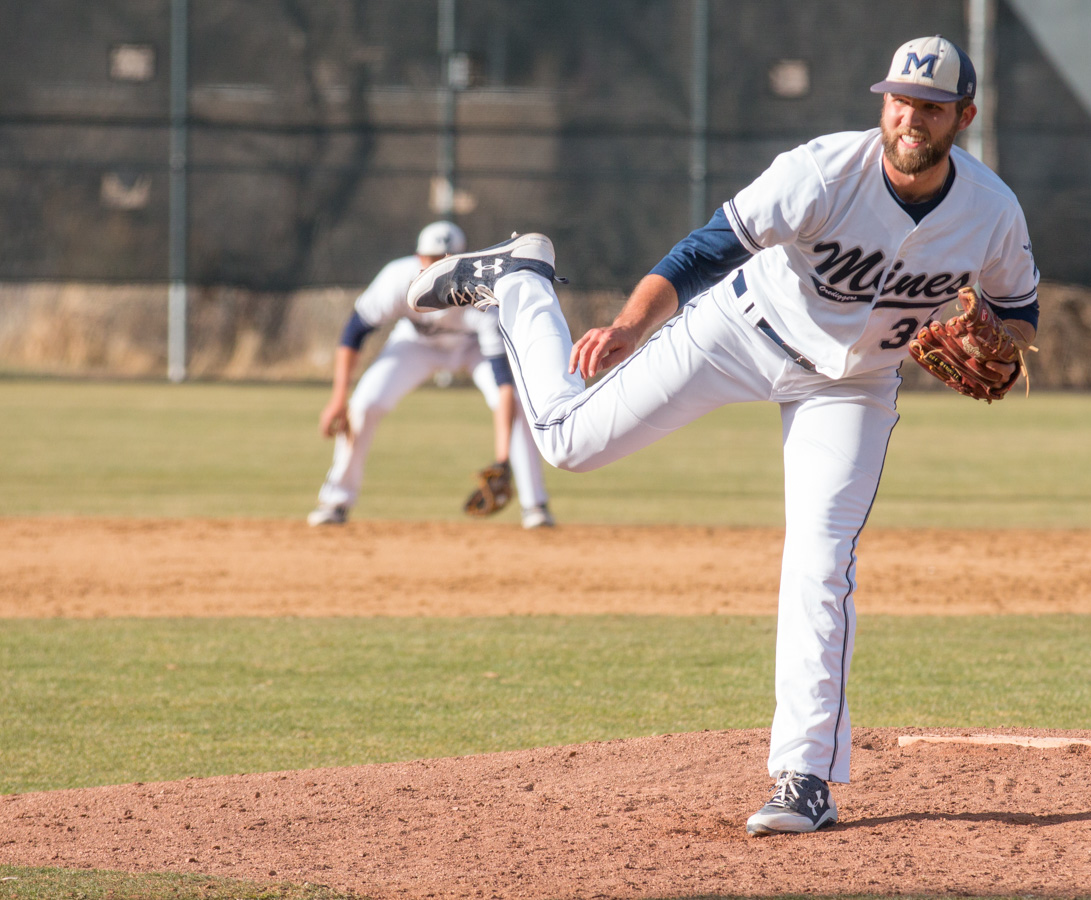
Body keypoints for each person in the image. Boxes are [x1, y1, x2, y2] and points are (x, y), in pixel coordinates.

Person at [409, 36, 1038, 834]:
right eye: (900, 99)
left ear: (964, 118)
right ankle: (521, 281)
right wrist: (632, 325)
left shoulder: (991, 211)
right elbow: (708, 248)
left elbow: (1019, 312)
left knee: (822, 557)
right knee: (569, 442)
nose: (911, 117)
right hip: (741, 331)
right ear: (882, 102)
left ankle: (804, 777)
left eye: (932, 107)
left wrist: (995, 336)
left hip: (852, 385)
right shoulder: (821, 172)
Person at [308, 221, 554, 529]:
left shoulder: (484, 293)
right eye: (429, 259)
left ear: (463, 259)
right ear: (417, 257)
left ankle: (535, 505)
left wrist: (501, 459)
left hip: (471, 348)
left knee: (516, 404)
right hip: (415, 343)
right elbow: (353, 334)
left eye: (444, 259)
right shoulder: (397, 279)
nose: (435, 266)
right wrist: (337, 398)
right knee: (363, 405)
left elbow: (504, 384)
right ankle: (336, 502)